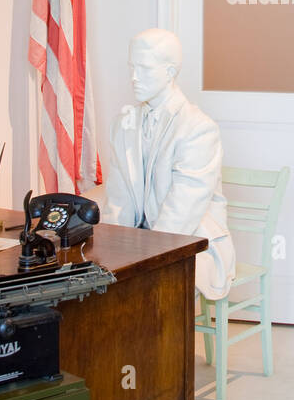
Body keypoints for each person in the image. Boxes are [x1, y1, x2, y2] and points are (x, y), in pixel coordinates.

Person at [101, 29, 235, 299]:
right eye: (132, 67)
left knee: (147, 293)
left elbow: (183, 211)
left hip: (190, 241)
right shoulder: (122, 125)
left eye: (145, 69)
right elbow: (119, 200)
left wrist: (143, 261)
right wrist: (110, 252)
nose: (134, 77)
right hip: (140, 242)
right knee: (97, 289)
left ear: (170, 72)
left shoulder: (199, 128)